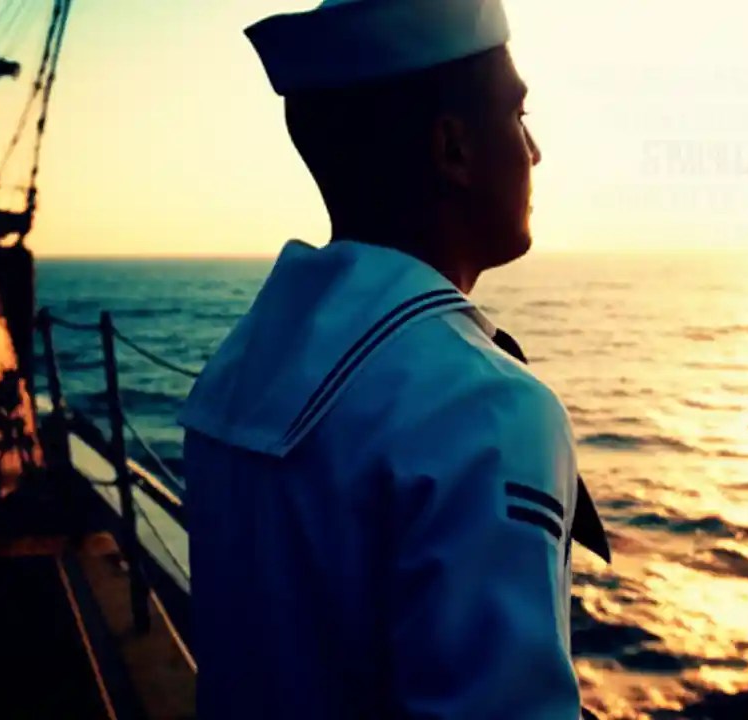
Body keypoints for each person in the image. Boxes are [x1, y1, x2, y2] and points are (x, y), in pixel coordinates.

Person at [178, 1, 607, 717]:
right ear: (454, 150)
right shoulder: (483, 409)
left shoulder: (239, 373)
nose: (534, 151)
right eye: (518, 116)